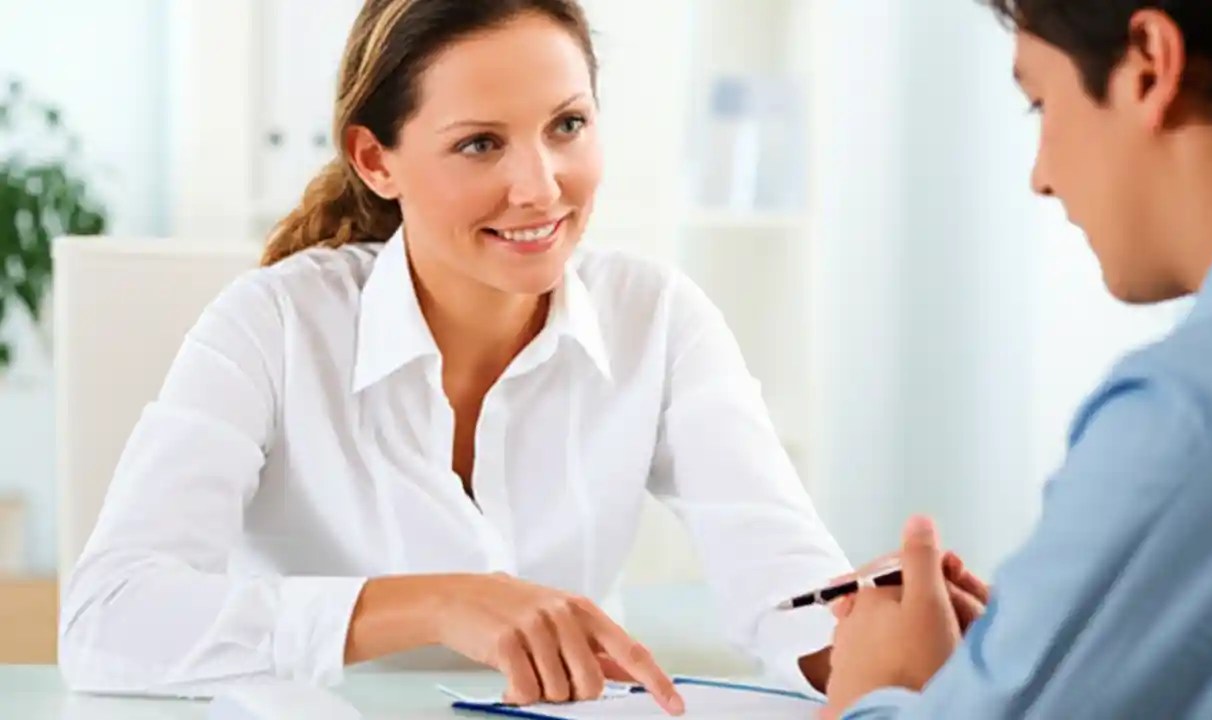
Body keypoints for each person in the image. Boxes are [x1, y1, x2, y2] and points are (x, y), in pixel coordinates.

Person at [56, 0, 863, 710]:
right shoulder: (272, 325)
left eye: (567, 125)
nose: (540, 187)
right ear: (375, 160)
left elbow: (789, 590)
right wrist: (439, 604)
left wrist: (876, 645)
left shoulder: (658, 320)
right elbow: (108, 618)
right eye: (480, 144)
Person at [824, 1, 1212, 718]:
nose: (1040, 176)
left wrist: (881, 689)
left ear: (1149, 67)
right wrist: (1040, 663)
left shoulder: (1199, 416)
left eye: (1040, 103)